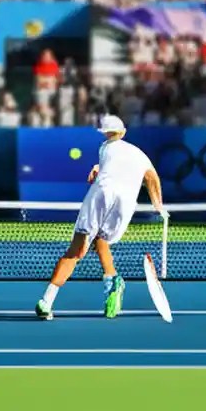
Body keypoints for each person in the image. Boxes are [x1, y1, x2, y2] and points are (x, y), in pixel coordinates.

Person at [36, 115, 167, 320]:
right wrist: (158, 206)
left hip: (102, 193)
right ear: (123, 132)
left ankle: (46, 301)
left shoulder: (104, 147)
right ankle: (112, 279)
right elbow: (151, 177)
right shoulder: (139, 154)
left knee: (76, 250)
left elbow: (113, 167)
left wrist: (98, 168)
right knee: (102, 240)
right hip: (125, 202)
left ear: (105, 133)